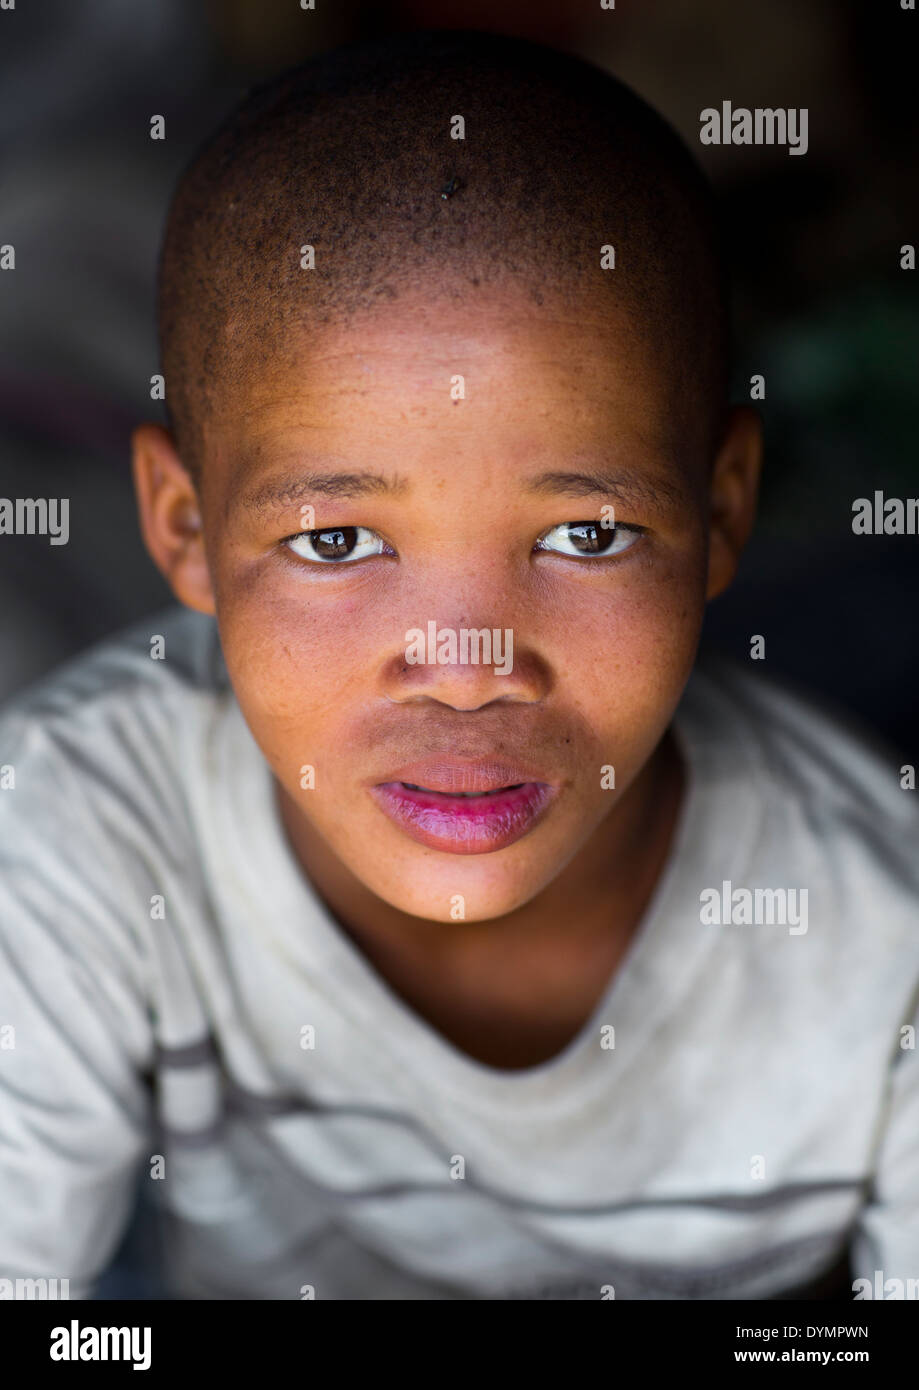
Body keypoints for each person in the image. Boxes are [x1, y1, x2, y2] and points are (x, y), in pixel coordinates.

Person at [1, 29, 916, 1301]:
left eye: (585, 534)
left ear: (720, 513)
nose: (468, 668)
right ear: (186, 531)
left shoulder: (881, 942)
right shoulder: (77, 834)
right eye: (336, 539)